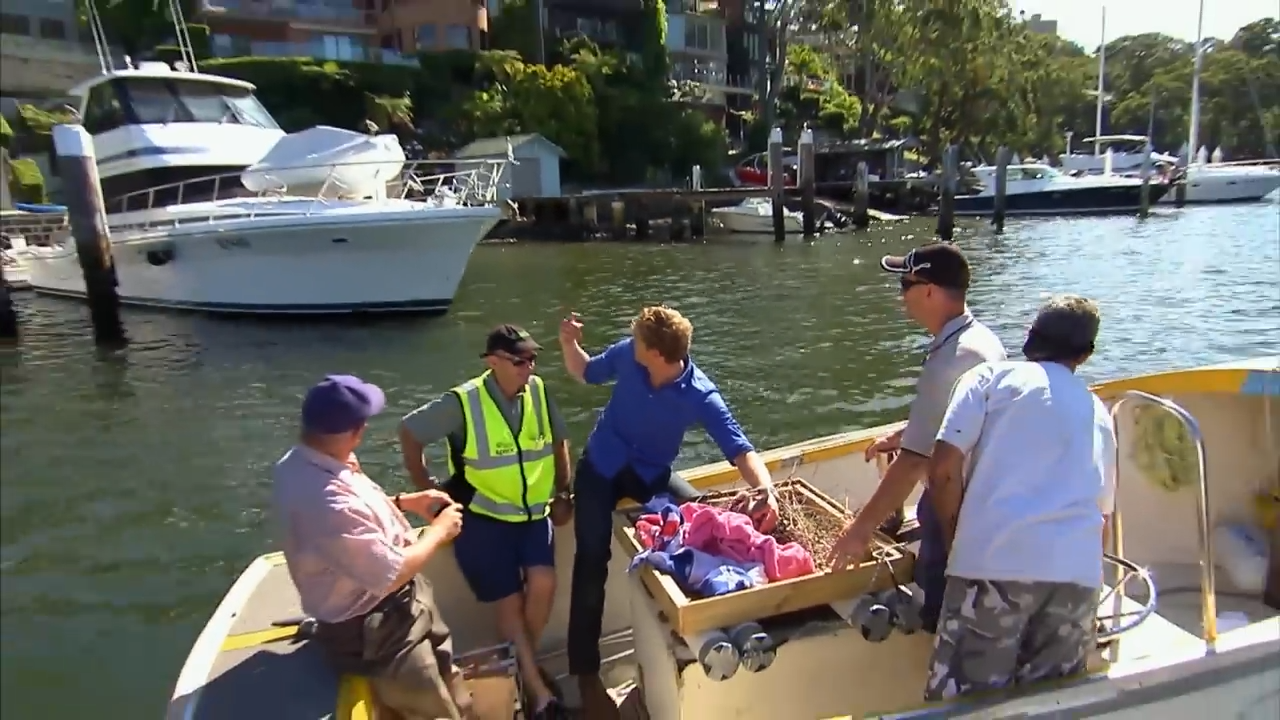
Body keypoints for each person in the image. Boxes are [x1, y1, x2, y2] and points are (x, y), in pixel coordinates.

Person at [558, 305, 780, 711]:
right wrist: (568, 343)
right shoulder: (629, 354)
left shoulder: (699, 394)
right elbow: (586, 371)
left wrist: (767, 490)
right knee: (591, 556)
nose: (633, 342)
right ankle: (586, 676)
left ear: (657, 354)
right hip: (601, 466)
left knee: (704, 520)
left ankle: (713, 619)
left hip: (649, 473)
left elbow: (740, 449)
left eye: (639, 340)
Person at [922, 295, 1115, 701]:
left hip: (993, 567)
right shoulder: (1098, 411)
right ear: (1086, 354)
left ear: (1030, 338)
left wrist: (957, 542)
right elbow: (1103, 518)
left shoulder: (987, 378)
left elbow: (942, 471)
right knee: (1050, 705)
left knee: (964, 707)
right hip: (1076, 580)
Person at [827, 243, 1007, 633]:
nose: (900, 297)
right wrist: (907, 433)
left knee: (940, 616)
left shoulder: (951, 360)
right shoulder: (981, 340)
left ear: (929, 291)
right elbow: (962, 419)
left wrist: (859, 531)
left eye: (905, 285)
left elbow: (912, 464)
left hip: (958, 509)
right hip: (987, 500)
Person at [272, 374, 472, 720]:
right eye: (362, 423)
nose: (365, 429)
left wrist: (406, 502)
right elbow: (389, 573)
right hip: (378, 628)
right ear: (352, 431)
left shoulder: (301, 462)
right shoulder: (326, 500)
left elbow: (354, 520)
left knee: (447, 671)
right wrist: (439, 531)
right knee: (429, 708)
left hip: (403, 603)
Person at [399, 324, 572, 719]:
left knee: (544, 583)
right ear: (493, 362)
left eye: (533, 359)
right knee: (509, 605)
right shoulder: (463, 402)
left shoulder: (539, 391)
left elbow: (559, 441)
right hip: (482, 519)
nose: (529, 367)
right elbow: (408, 432)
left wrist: (564, 492)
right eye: (519, 361)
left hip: (532, 515)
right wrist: (430, 493)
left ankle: (519, 672)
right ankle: (539, 693)